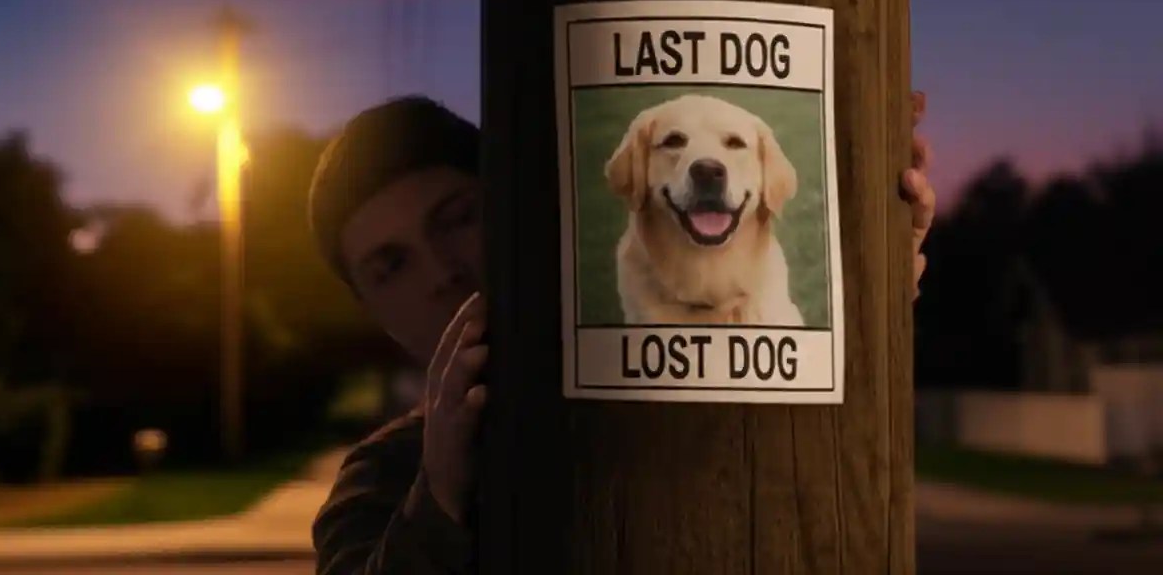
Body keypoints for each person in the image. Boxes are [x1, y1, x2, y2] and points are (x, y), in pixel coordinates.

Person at [307, 92, 937, 574]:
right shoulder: (384, 476)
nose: (441, 270)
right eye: (391, 266)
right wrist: (441, 489)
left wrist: (873, 290)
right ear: (371, 310)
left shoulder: (657, 356)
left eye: (457, 219)